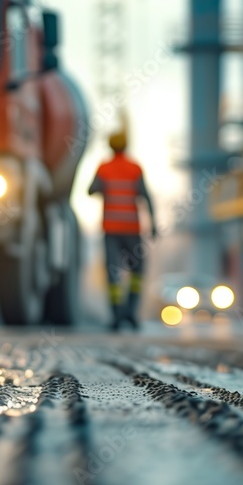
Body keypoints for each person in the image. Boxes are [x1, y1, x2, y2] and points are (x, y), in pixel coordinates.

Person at [89, 116, 158, 331]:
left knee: (113, 274)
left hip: (111, 231)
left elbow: (90, 191)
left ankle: (117, 316)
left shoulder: (104, 168)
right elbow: (146, 197)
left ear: (110, 145)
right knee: (137, 272)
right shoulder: (134, 168)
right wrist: (153, 223)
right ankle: (130, 313)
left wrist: (104, 189)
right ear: (126, 145)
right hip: (132, 231)